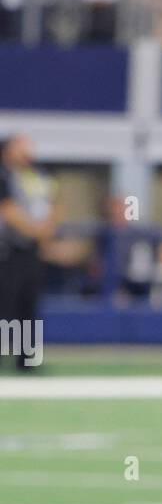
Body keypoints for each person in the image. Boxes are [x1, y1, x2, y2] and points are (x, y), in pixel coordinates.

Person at [0, 135, 59, 368]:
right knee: (5, 303)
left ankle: (28, 358)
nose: (28, 153)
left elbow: (54, 202)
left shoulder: (37, 175)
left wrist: (45, 231)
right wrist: (36, 231)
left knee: (29, 304)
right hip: (8, 248)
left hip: (31, 250)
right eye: (21, 148)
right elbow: (8, 209)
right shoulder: (4, 176)